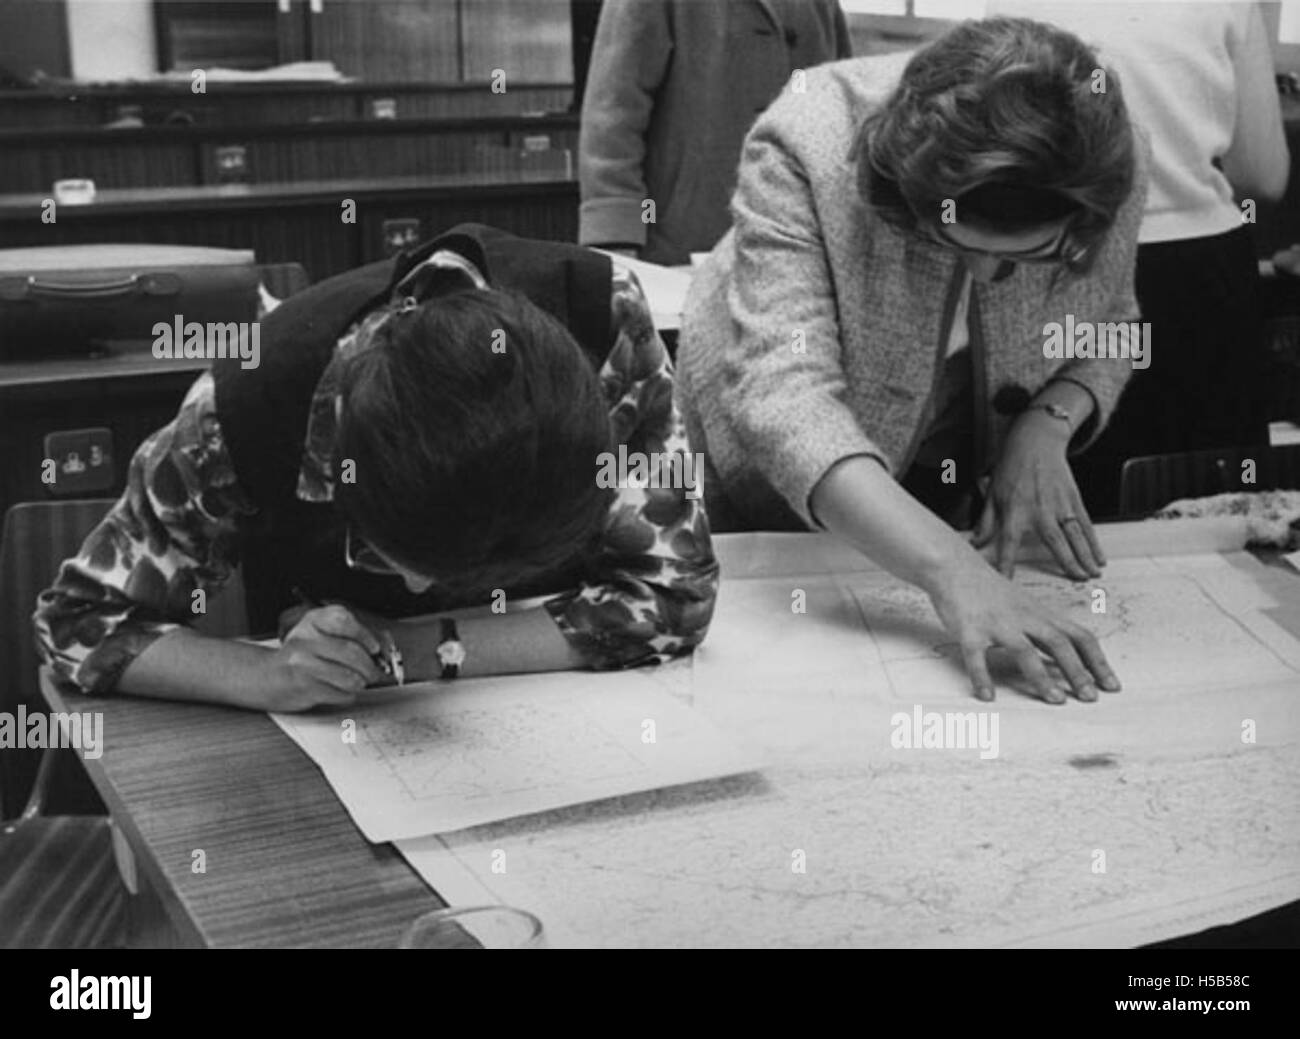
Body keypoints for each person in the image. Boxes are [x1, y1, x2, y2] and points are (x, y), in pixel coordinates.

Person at [34, 224, 718, 712]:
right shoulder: (239, 409)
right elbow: (79, 623)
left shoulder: (605, 323)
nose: (422, 588)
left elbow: (672, 596)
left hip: (561, 720)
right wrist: (267, 674)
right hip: (338, 741)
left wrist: (406, 650)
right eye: (400, 561)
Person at [679, 17, 1149, 704]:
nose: (990, 276)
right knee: (785, 697)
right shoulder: (808, 139)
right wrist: (952, 569)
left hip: (943, 478)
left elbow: (1114, 327)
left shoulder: (1105, 166)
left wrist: (1050, 421)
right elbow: (784, 395)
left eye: (1028, 257)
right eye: (961, 242)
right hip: (762, 492)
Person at [991, 0, 1290, 517]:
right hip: (1199, 274)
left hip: (1061, 260)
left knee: (1068, 502)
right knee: (1216, 511)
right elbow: (1262, 174)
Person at [578, 0, 851, 265]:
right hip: (677, 247)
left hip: (796, 247)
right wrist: (619, 236)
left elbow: (839, 111)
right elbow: (614, 117)